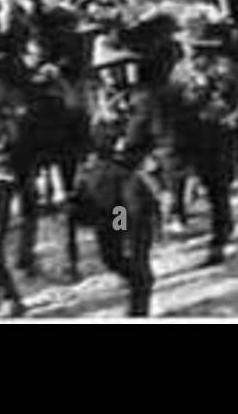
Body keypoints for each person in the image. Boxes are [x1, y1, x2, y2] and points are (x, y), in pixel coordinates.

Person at [75, 31, 164, 316]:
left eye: (115, 68)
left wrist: (164, 175)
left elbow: (160, 137)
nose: (110, 75)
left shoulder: (144, 98)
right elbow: (84, 139)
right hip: (108, 189)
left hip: (135, 182)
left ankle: (139, 305)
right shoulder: (93, 100)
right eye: (104, 70)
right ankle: (135, 278)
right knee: (111, 253)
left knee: (136, 246)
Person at [163, 14, 238, 266]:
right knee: (185, 179)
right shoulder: (180, 70)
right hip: (189, 136)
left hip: (220, 136)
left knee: (218, 188)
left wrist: (235, 116)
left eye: (193, 47)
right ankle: (180, 215)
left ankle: (221, 236)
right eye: (187, 46)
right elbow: (172, 101)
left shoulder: (226, 68)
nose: (188, 51)